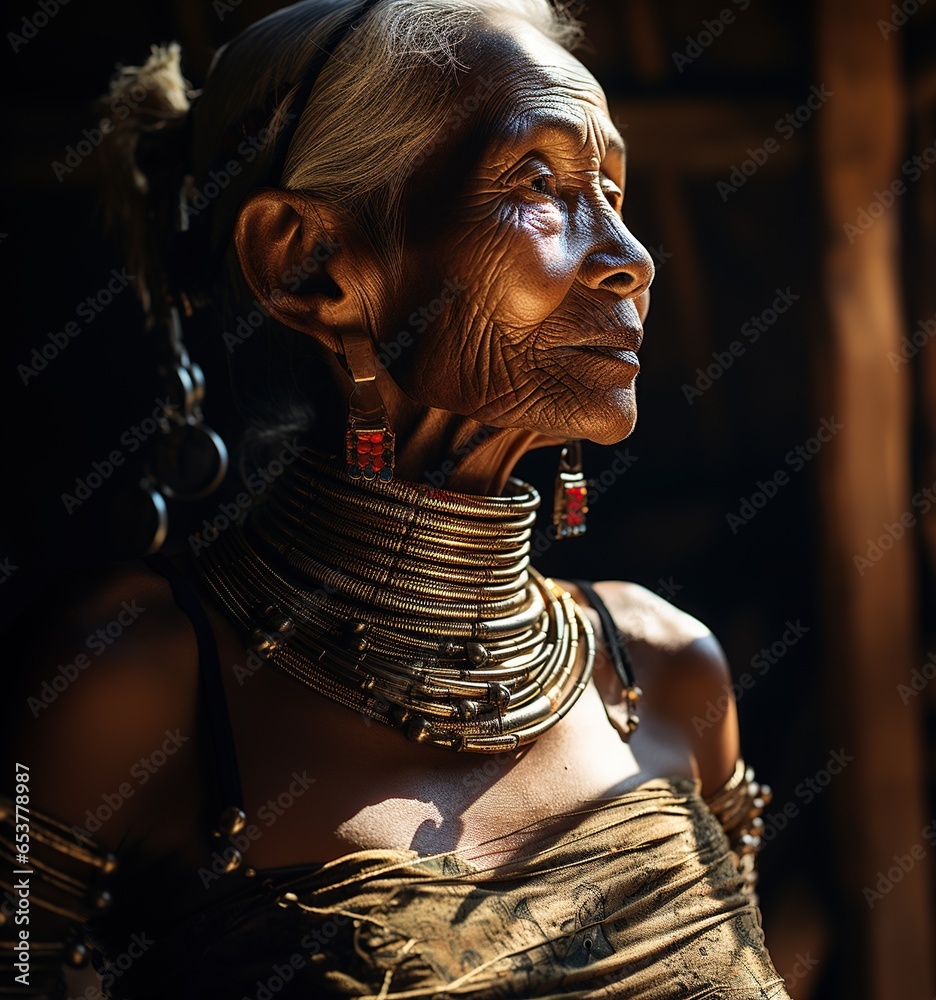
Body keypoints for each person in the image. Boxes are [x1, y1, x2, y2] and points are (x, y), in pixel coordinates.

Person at [1, 1, 791, 996]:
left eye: (613, 190)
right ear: (311, 265)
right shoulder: (123, 687)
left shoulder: (667, 671)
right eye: (538, 181)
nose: (630, 255)